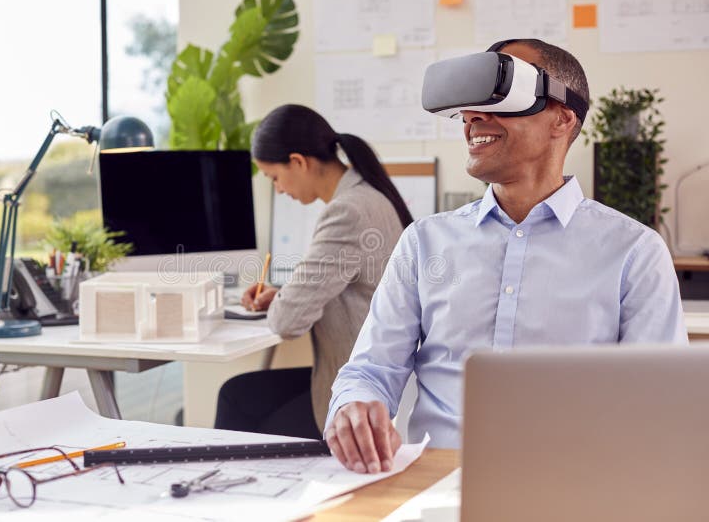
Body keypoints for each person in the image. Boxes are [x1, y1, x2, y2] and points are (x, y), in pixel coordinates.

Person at [324, 38, 688, 474]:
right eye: (468, 106)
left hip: (571, 485)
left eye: (498, 97)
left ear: (562, 118)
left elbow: (657, 407)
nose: (473, 117)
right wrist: (354, 406)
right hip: (434, 487)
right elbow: (370, 369)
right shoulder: (423, 243)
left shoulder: (635, 253)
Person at [213, 104, 413, 439]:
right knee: (237, 394)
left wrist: (285, 300)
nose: (278, 189)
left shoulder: (347, 211)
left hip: (360, 396)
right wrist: (284, 294)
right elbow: (343, 284)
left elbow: (286, 322)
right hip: (381, 379)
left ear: (298, 162)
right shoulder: (369, 194)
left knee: (241, 408)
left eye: (274, 177)